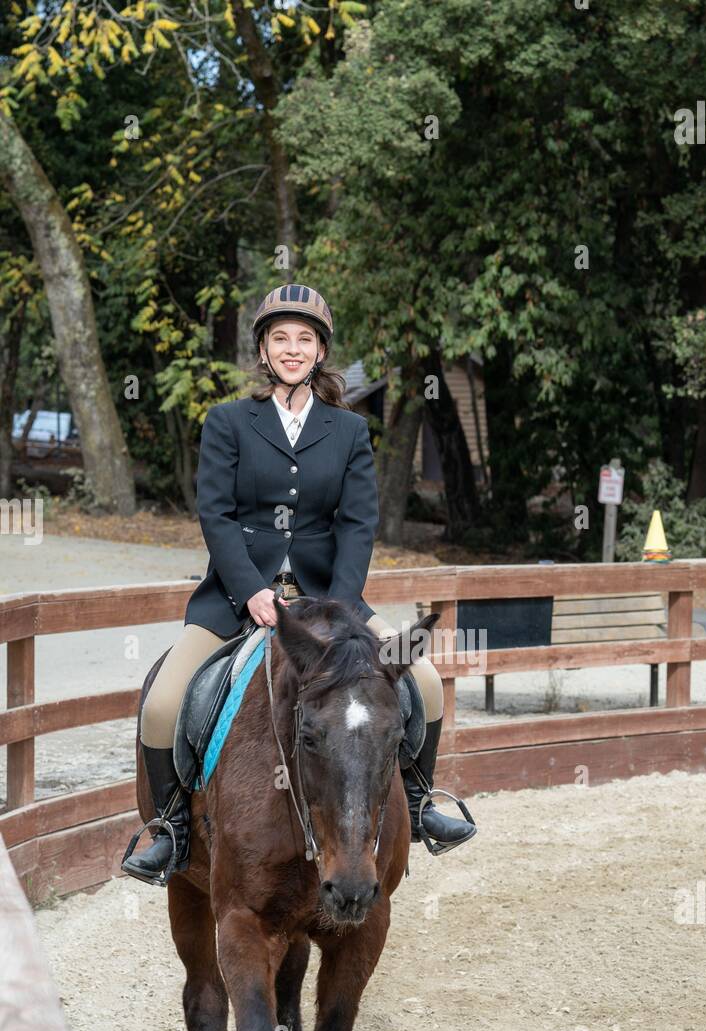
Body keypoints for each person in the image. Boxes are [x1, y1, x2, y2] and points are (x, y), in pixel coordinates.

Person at [122, 283, 477, 884]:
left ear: (320, 352)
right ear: (264, 349)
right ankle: (171, 829)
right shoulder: (228, 422)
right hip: (236, 601)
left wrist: (337, 607)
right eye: (281, 338)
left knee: (427, 679)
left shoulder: (348, 431)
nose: (293, 349)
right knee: (161, 706)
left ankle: (419, 803)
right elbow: (217, 515)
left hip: (333, 600)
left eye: (304, 339)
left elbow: (358, 524)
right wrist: (251, 591)